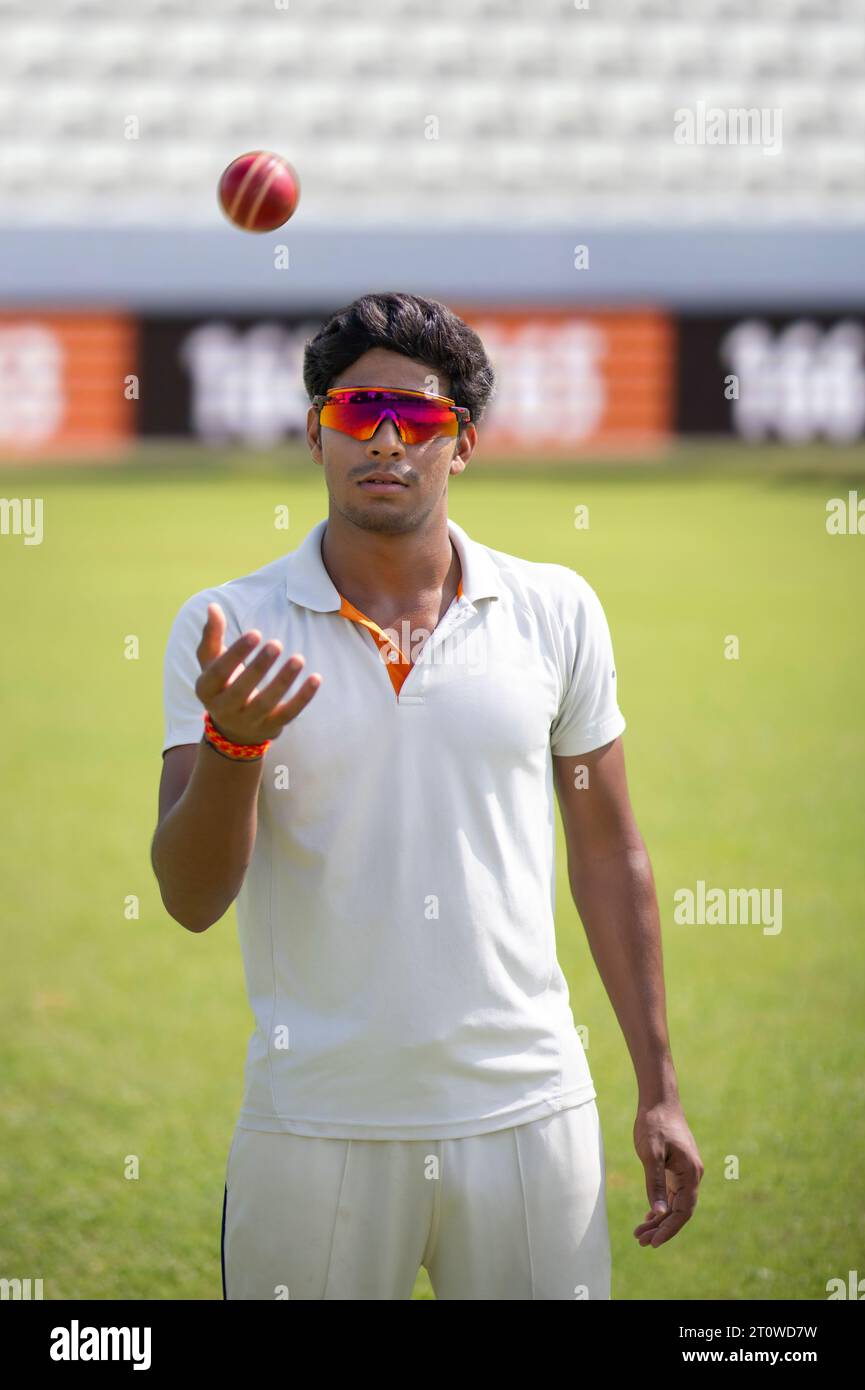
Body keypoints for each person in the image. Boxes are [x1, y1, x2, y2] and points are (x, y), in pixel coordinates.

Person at [150, 290, 703, 1300]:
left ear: (464, 445)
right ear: (316, 433)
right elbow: (190, 897)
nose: (388, 440)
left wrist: (659, 1088)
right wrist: (234, 742)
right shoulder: (226, 624)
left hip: (530, 1114)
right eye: (359, 413)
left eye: (421, 418)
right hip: (313, 1122)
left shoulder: (556, 609)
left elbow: (608, 853)